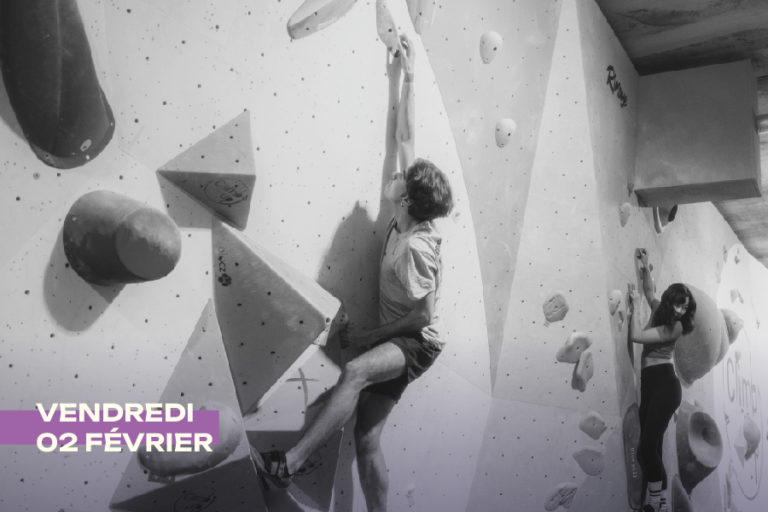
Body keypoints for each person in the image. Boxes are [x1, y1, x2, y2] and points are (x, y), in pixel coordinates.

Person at [253, 34, 453, 512]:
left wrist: (367, 337)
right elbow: (404, 138)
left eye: (401, 180)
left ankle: (290, 464)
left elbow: (422, 318)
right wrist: (407, 75)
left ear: (406, 199)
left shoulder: (416, 247)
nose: (395, 176)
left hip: (416, 343)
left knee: (358, 369)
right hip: (402, 338)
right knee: (366, 440)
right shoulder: (407, 211)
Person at [628, 249, 697, 512]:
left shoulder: (675, 327)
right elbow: (651, 293)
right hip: (652, 382)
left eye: (685, 307)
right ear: (671, 301)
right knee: (651, 447)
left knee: (646, 449)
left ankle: (656, 504)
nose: (681, 311)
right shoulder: (661, 309)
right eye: (678, 304)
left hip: (665, 386)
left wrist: (634, 306)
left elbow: (636, 335)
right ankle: (660, 500)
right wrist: (646, 268)